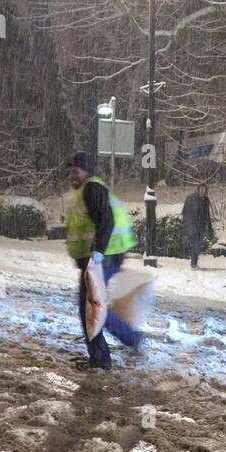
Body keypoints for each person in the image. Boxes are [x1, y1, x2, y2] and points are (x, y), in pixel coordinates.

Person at [65, 152, 141, 370]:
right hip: (103, 257)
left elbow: (107, 220)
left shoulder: (92, 189)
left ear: (86, 171)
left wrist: (98, 252)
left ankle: (101, 360)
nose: (72, 176)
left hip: (103, 257)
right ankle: (123, 343)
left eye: (76, 171)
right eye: (71, 172)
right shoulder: (87, 190)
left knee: (92, 309)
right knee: (93, 308)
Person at [182, 183, 212, 269]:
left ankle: (194, 262)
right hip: (192, 225)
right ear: (198, 189)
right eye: (201, 189)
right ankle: (193, 264)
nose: (202, 191)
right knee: (196, 244)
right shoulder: (191, 198)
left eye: (204, 189)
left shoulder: (206, 199)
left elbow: (207, 214)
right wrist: (188, 224)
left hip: (201, 226)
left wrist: (209, 227)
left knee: (198, 245)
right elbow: (185, 212)